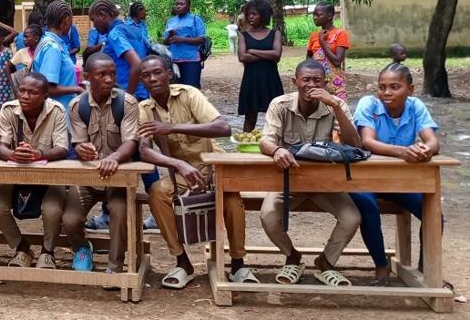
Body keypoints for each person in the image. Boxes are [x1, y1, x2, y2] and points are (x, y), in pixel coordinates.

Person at [135, 55, 256, 288]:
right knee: (157, 193)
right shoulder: (144, 109)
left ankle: (239, 264)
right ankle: (183, 263)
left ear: (169, 74)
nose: (153, 78)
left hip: (213, 165)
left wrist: (172, 128)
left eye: (158, 72)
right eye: (147, 75)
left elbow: (223, 127)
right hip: (183, 172)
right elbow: (144, 151)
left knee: (231, 199)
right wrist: (177, 164)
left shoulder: (188, 94)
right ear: (142, 80)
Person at [258, 59, 362, 287]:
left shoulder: (335, 105)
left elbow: (356, 144)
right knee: (268, 215)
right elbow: (265, 140)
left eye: (317, 80)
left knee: (351, 217)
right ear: (295, 82)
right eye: (305, 80)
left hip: (324, 183)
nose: (311, 85)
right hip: (288, 181)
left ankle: (326, 262)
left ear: (325, 83)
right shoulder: (280, 104)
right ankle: (292, 256)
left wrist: (335, 106)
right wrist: (276, 150)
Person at [350, 63, 440, 285]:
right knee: (366, 205)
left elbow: (432, 141)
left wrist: (426, 149)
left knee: (434, 214)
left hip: (399, 180)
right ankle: (381, 266)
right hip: (366, 179)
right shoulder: (369, 104)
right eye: (382, 87)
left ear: (410, 90)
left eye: (394, 87)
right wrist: (404, 151)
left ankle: (424, 268)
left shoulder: (415, 106)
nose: (386, 92)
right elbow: (367, 142)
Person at [62, 53, 139, 275]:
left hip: (118, 177)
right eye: (102, 75)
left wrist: (113, 158)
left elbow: (131, 143)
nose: (108, 79)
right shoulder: (78, 105)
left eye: (112, 74)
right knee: (69, 219)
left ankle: (115, 266)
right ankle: (82, 248)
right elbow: (78, 143)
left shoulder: (127, 103)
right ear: (87, 77)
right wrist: (80, 149)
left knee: (119, 211)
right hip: (88, 176)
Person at [0, 73, 68, 269]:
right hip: (16, 175)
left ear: (45, 96)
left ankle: (47, 252)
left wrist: (39, 154)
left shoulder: (57, 111)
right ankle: (21, 248)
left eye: (32, 92)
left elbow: (61, 148)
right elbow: (1, 147)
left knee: (51, 210)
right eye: (22, 90)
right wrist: (13, 155)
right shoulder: (9, 109)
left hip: (49, 176)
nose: (25, 96)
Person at [237, 0, 284, 132]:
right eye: (249, 14)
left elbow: (277, 55)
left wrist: (253, 51)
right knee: (250, 116)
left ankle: (277, 143)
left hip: (270, 79)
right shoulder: (243, 35)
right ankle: (246, 144)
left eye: (254, 14)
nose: (250, 17)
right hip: (251, 79)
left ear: (263, 15)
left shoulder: (275, 33)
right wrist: (266, 55)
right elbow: (242, 57)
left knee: (276, 114)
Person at [89, 0, 149, 100]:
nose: (94, 25)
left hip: (130, 93)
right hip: (143, 91)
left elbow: (136, 63)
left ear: (103, 15)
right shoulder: (132, 29)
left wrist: (128, 98)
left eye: (93, 20)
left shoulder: (115, 34)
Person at [31, 1, 83, 115]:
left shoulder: (52, 43)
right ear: (66, 20)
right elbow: (47, 88)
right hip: (57, 116)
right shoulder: (52, 48)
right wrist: (77, 89)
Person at [307, 1, 349, 101]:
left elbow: (337, 61)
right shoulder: (313, 36)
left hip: (335, 84)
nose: (315, 17)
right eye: (314, 15)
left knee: (337, 109)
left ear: (329, 16)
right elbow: (308, 58)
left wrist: (322, 42)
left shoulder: (340, 34)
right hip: (317, 82)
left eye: (318, 15)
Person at [163, 0, 206, 88]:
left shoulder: (195, 19)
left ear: (188, 7)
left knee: (191, 89)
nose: (178, 6)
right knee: (175, 90)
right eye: (176, 4)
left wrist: (181, 39)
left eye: (182, 4)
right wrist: (170, 37)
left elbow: (201, 39)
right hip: (173, 61)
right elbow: (165, 42)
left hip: (191, 60)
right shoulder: (171, 21)